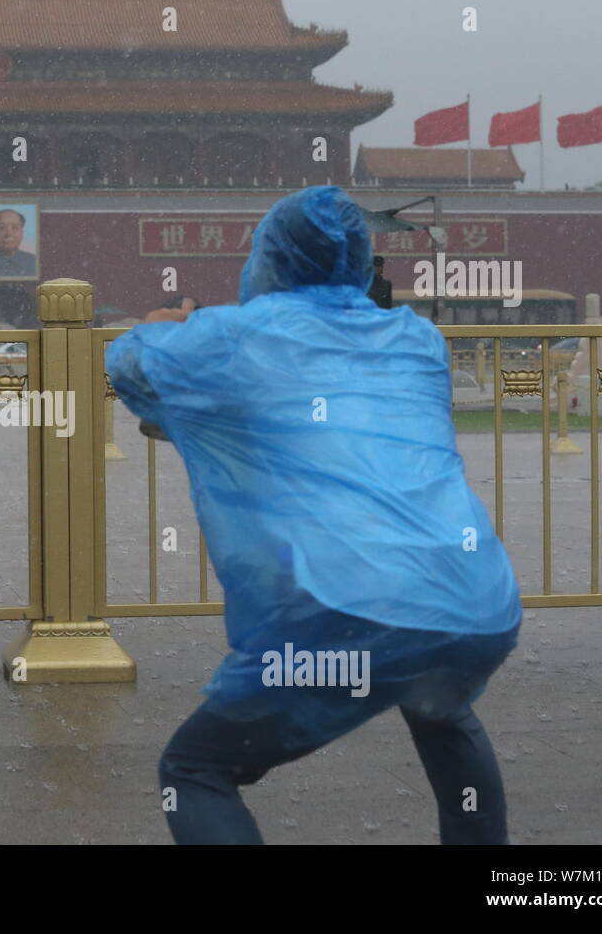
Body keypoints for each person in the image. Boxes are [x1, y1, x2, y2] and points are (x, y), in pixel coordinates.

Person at [105, 186, 521, 844]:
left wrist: (164, 325)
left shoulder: (230, 337)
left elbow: (128, 368)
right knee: (440, 707)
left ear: (269, 257)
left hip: (339, 611)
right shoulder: (417, 338)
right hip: (475, 602)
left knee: (194, 767)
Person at [0, 209, 37, 278]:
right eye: (2, 228)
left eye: (15, 228)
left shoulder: (33, 262)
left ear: (22, 234)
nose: (9, 233)